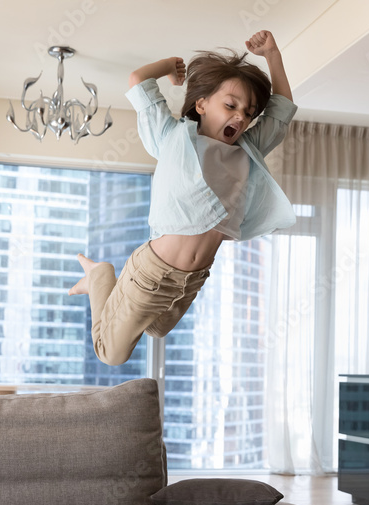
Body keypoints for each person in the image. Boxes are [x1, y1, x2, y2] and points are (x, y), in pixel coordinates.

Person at [68, 29, 299, 365]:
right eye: (231, 105)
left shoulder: (247, 151)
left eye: (248, 113)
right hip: (153, 271)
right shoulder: (172, 136)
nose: (240, 116)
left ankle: (111, 288)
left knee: (157, 329)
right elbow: (138, 81)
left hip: (194, 277)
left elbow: (281, 110)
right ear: (201, 104)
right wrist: (169, 67)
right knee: (110, 354)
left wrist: (273, 56)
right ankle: (100, 274)